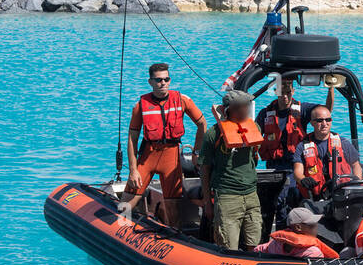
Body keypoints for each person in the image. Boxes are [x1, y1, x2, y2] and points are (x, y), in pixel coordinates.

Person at [121, 62, 206, 226]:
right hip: (148, 157)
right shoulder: (140, 106)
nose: (163, 83)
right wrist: (133, 170)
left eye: (166, 79)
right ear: (150, 82)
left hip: (171, 159)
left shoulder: (182, 100)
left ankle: (174, 239)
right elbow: (132, 138)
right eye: (159, 80)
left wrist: (196, 152)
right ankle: (119, 230)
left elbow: (202, 124)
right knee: (125, 204)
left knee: (174, 212)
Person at [197, 89, 262, 251]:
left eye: (247, 105)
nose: (246, 110)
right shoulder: (213, 134)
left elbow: (255, 158)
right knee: (227, 246)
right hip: (227, 197)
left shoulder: (255, 128)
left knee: (254, 242)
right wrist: (208, 203)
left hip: (251, 194)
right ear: (229, 110)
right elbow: (204, 169)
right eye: (241, 107)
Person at [256, 80, 333, 171]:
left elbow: (326, 110)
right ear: (276, 92)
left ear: (293, 91)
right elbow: (254, 136)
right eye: (281, 92)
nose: (285, 96)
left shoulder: (302, 109)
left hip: (297, 163)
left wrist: (330, 89)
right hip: (273, 164)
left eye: (288, 92)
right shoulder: (265, 113)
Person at [292, 106, 363, 201]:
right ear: (312, 123)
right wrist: (303, 179)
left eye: (328, 120)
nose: (324, 124)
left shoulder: (343, 143)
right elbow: (297, 171)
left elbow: (356, 165)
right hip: (315, 197)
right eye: (320, 120)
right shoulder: (302, 146)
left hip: (342, 194)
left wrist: (356, 183)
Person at [254, 207, 339, 259]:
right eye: (312, 225)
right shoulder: (313, 252)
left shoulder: (275, 244)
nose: (316, 228)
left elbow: (257, 250)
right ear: (298, 227)